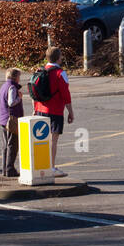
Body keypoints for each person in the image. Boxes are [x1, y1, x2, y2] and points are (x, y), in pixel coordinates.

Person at [33, 46, 73, 176]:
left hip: (40, 109)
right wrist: (70, 111)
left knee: (40, 140)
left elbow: (35, 92)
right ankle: (51, 167)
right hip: (55, 111)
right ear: (58, 58)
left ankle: (40, 166)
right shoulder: (60, 73)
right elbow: (65, 94)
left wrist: (34, 109)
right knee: (53, 141)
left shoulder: (40, 71)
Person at [0, 68, 23, 177]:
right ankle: (10, 168)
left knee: (5, 145)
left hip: (3, 119)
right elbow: (11, 102)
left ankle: (5, 169)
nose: (19, 79)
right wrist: (19, 98)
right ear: (15, 77)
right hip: (11, 119)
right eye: (19, 77)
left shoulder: (3, 86)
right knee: (13, 144)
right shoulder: (12, 87)